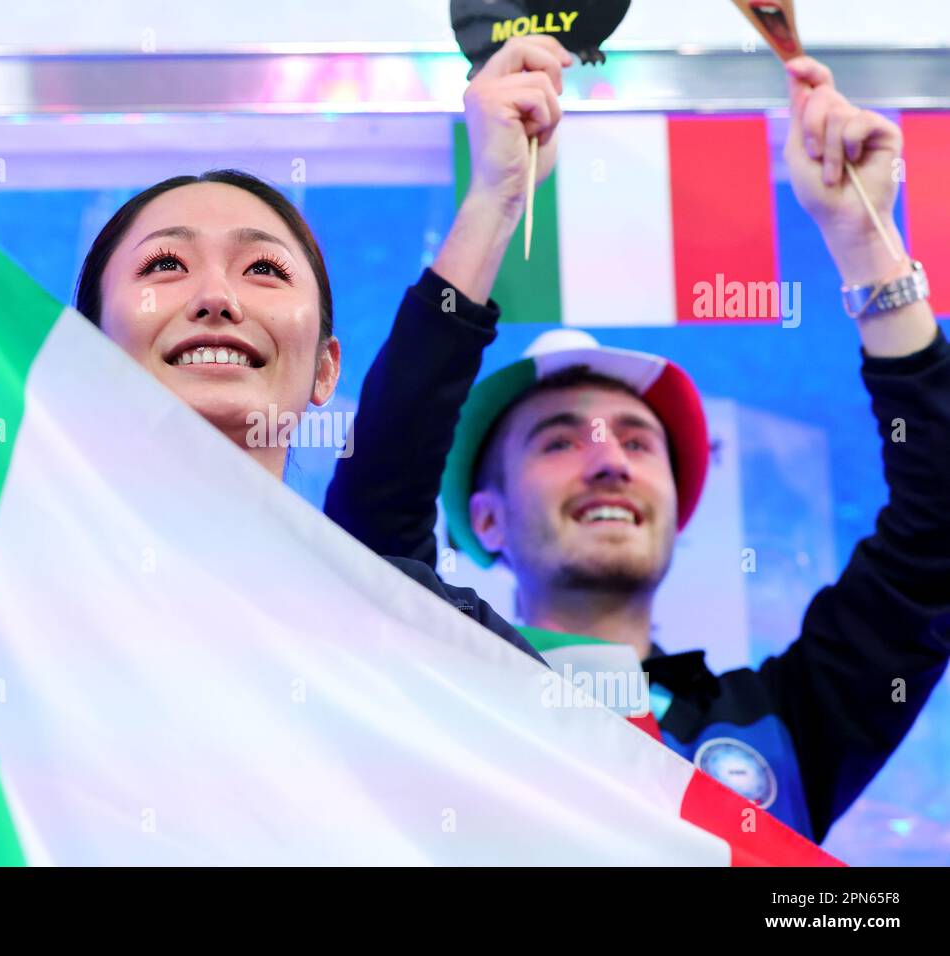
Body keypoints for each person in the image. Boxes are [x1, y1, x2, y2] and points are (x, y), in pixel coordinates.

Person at [0, 8, 572, 664]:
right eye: (165, 267)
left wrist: (496, 200)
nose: (217, 298)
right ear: (88, 351)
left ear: (325, 368)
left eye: (263, 270)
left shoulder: (401, 622)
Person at [325, 54, 950, 843]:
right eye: (558, 439)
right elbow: (369, 528)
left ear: (678, 506)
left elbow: (937, 538)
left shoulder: (783, 729)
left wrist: (867, 244)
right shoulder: (444, 684)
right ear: (485, 521)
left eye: (636, 438)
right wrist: (496, 202)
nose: (608, 458)